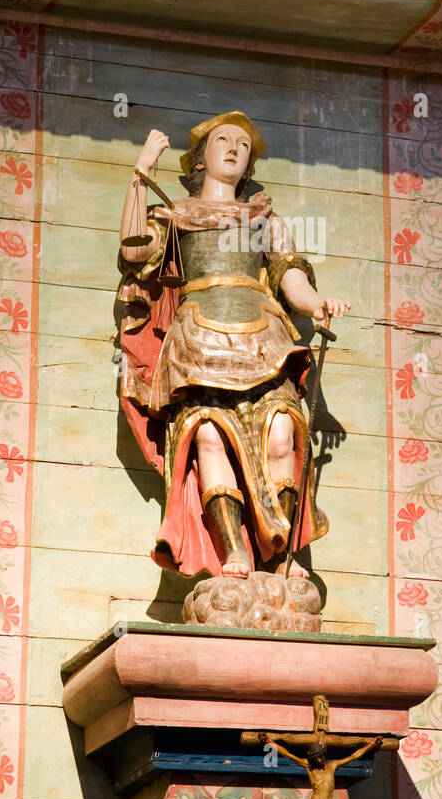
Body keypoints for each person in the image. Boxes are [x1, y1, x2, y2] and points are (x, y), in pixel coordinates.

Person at [117, 112, 350, 579]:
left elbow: (290, 278)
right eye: (222, 140)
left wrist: (318, 302)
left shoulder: (264, 218)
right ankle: (232, 553)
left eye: (243, 145)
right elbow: (133, 250)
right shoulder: (175, 215)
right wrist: (142, 170)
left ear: (249, 164)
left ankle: (281, 553)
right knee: (207, 434)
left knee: (283, 432)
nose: (233, 149)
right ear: (200, 158)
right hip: (198, 337)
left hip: (264, 336)